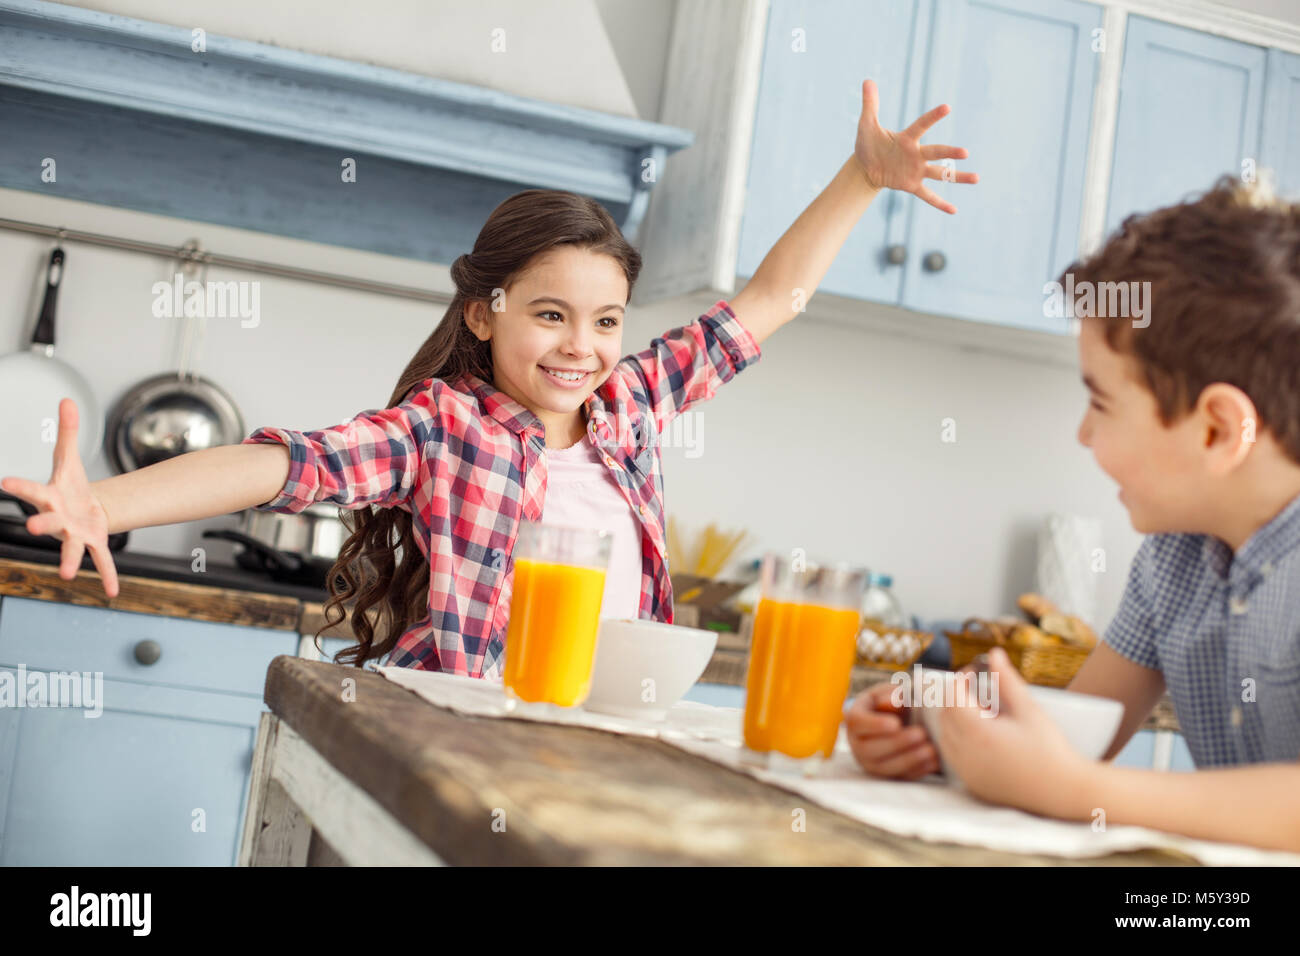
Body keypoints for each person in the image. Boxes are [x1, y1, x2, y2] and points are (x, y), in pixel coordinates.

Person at [1, 79, 977, 676]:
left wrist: (861, 178)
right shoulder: (445, 428)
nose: (579, 346)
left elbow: (770, 299)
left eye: (603, 320)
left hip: (606, 722)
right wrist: (107, 501)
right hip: (471, 713)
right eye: (549, 313)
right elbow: (280, 466)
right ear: (486, 312)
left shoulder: (629, 404)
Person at [846, 175, 1300, 853]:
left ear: (1215, 430)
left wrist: (1072, 790)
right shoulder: (1173, 561)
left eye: (1103, 403)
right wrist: (936, 729)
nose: (1083, 435)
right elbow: (1073, 733)